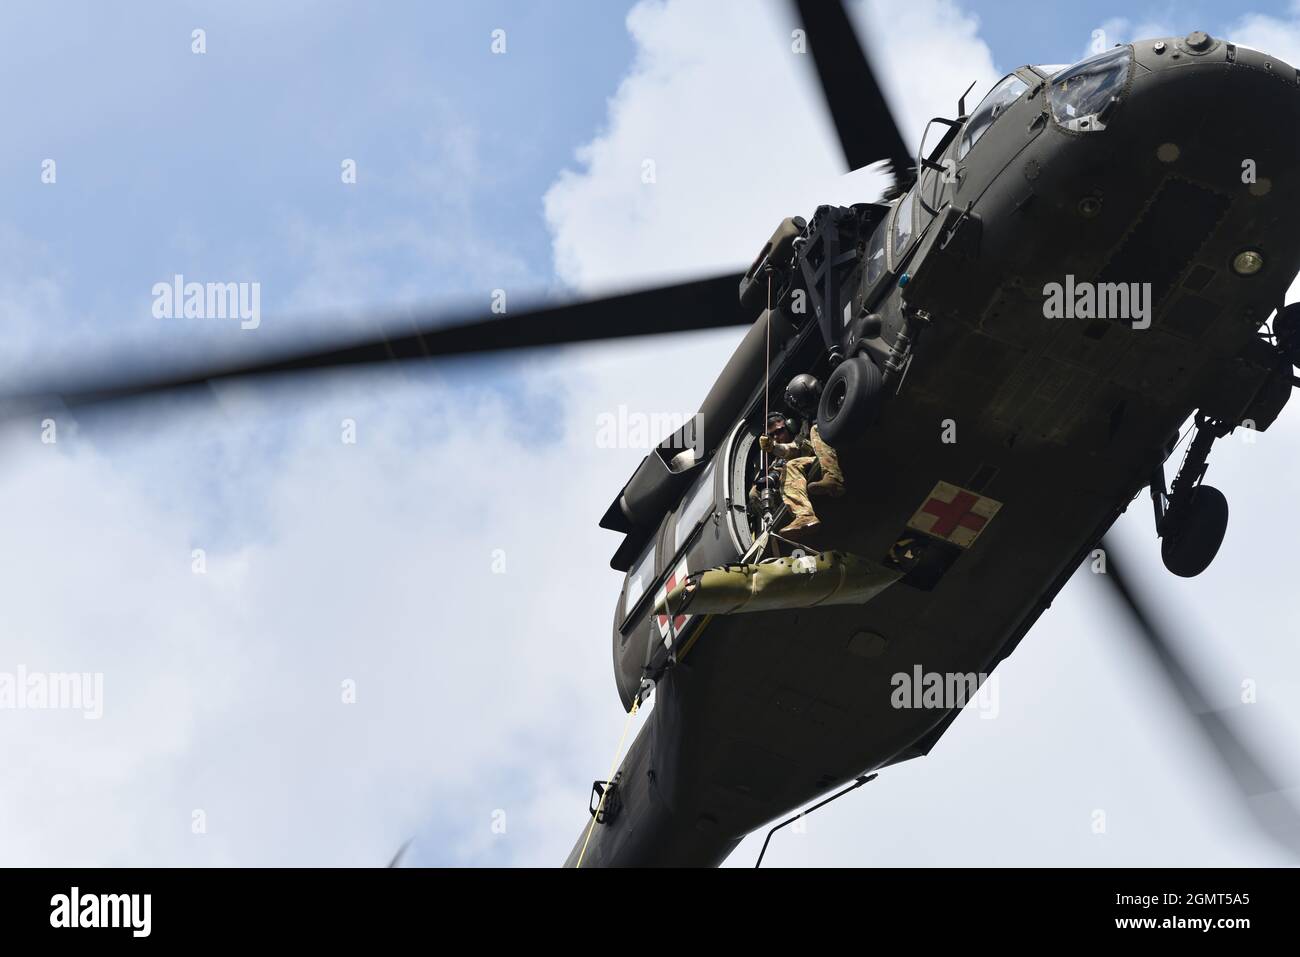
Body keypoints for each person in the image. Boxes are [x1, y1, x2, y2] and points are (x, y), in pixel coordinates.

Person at [767, 374, 844, 542]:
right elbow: (795, 448)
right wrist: (774, 448)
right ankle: (805, 516)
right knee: (791, 466)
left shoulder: (837, 396)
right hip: (818, 458)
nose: (777, 436)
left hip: (839, 439)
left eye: (779, 431)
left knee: (817, 429)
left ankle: (833, 478)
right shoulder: (805, 425)